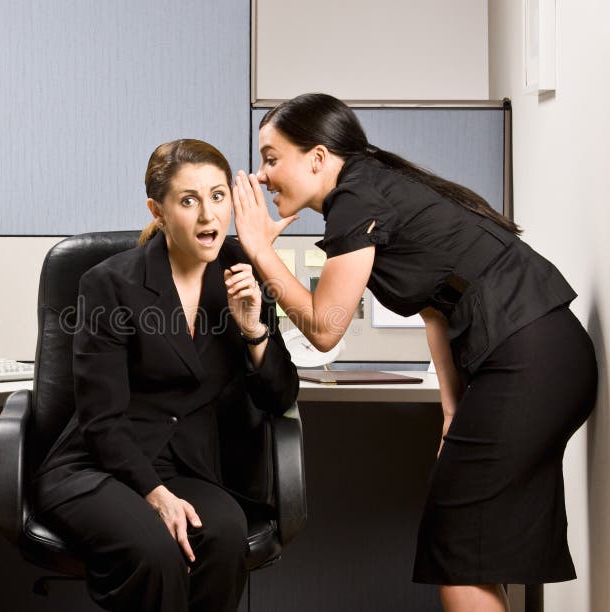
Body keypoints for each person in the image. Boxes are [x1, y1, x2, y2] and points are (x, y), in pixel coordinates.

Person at [231, 93, 597, 612]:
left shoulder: (355, 198)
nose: (262, 176)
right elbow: (436, 308)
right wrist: (452, 410)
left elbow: (326, 328)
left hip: (528, 357)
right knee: (474, 550)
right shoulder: (373, 185)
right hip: (544, 354)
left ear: (317, 158)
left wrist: (261, 251)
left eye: (271, 158)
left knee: (458, 552)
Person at [33, 138, 299, 612]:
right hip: (99, 465)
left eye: (218, 197)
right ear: (158, 210)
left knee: (223, 534)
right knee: (154, 550)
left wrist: (254, 328)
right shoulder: (110, 284)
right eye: (188, 200)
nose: (208, 216)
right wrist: (154, 494)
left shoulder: (242, 271)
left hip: (186, 466)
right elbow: (101, 419)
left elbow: (279, 396)